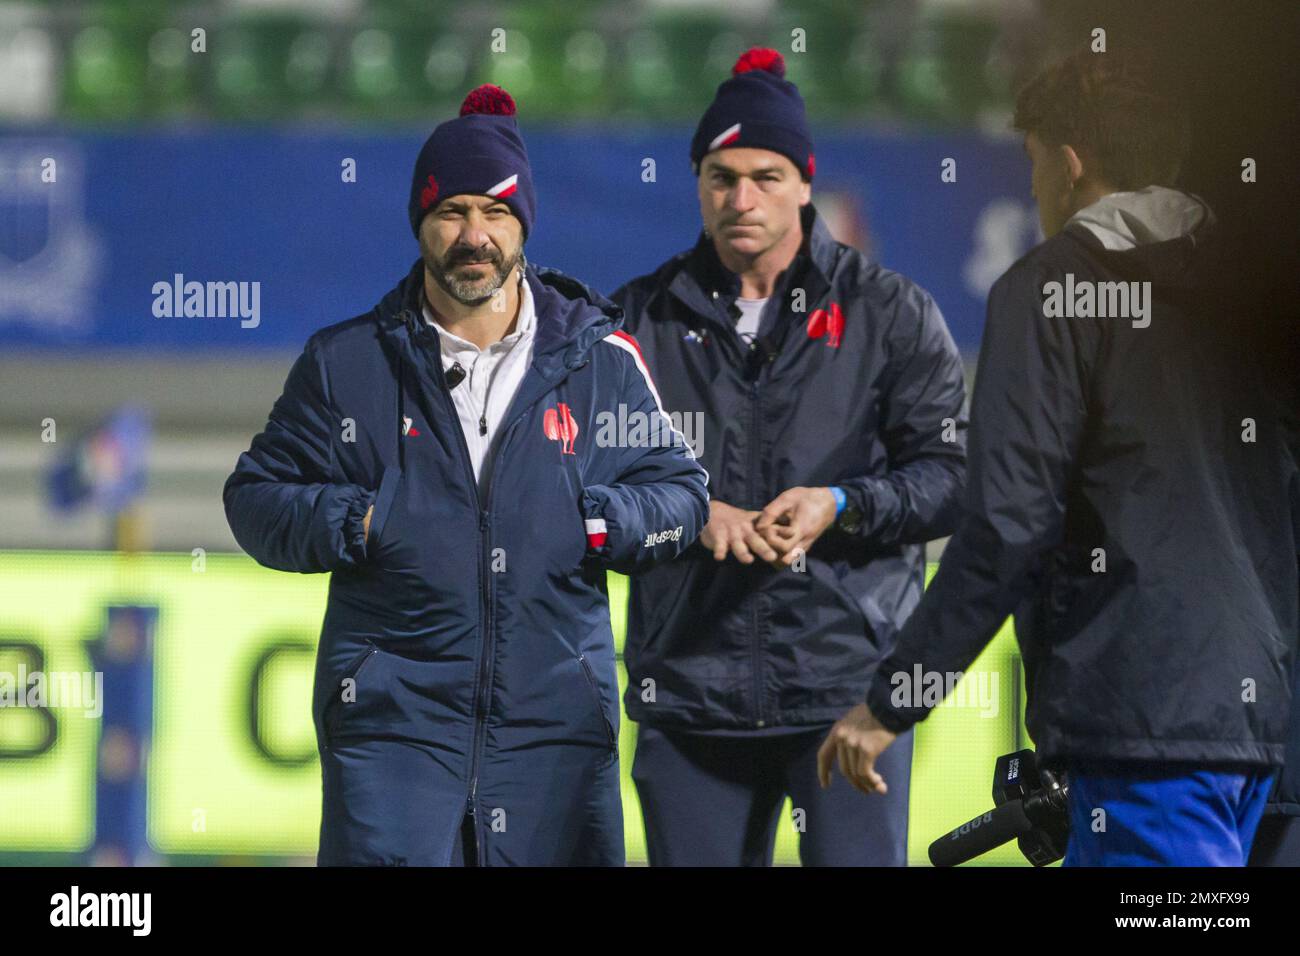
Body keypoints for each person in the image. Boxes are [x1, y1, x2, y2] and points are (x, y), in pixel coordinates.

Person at [819, 49, 1300, 867]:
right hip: (1265, 731)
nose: (1035, 191)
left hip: (1148, 727)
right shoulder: (1254, 291)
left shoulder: (1051, 290)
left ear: (1071, 166)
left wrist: (896, 698)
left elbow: (1008, 523)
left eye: (1036, 167)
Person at [223, 84, 709, 866]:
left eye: (495, 210)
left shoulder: (600, 361)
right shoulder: (347, 363)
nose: (473, 234)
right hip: (392, 736)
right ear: (420, 222)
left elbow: (685, 496)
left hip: (555, 737)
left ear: (524, 224)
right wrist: (360, 520)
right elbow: (253, 500)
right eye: (451, 211)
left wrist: (603, 522)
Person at [610, 48, 967, 866]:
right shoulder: (636, 320)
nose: (742, 198)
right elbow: (587, 482)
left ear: (806, 182)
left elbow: (952, 479)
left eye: (766, 176)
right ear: (698, 183)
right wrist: (689, 517)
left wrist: (840, 504)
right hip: (690, 700)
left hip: (843, 697)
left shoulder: (891, 314)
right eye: (720, 175)